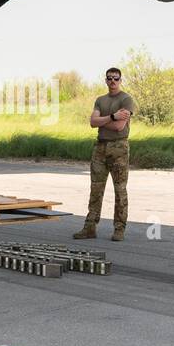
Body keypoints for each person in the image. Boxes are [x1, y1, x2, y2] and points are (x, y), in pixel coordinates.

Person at [74, 67, 135, 242]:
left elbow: (119, 127)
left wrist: (106, 120)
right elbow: (93, 122)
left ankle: (119, 229)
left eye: (116, 78)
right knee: (96, 189)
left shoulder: (126, 99)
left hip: (119, 148)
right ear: (106, 80)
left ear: (121, 80)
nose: (113, 81)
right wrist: (113, 116)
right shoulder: (100, 100)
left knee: (120, 189)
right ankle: (90, 227)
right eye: (110, 78)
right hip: (100, 148)